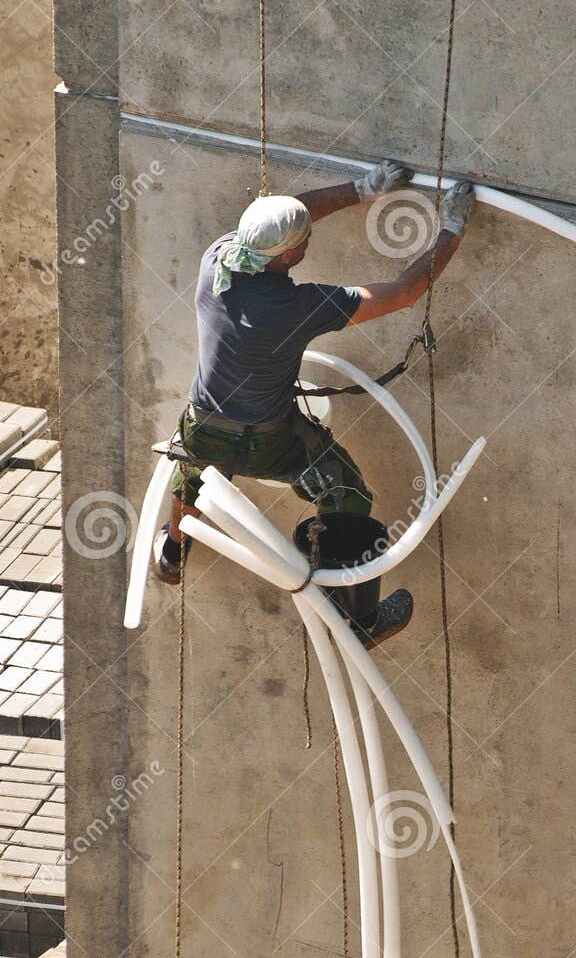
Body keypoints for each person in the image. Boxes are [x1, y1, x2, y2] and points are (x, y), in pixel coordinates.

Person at [156, 161, 474, 649]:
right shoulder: (300, 307)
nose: (309, 239)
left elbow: (291, 215)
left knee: (191, 463)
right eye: (302, 240)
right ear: (287, 256)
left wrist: (362, 189)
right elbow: (405, 293)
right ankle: (359, 621)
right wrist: (452, 229)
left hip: (206, 427)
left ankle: (173, 552)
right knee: (349, 498)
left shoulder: (216, 259)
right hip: (272, 444)